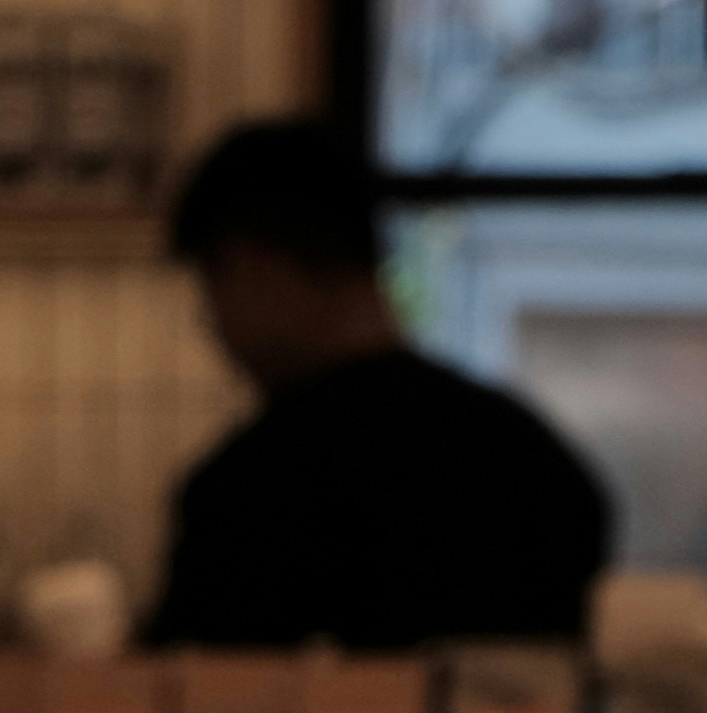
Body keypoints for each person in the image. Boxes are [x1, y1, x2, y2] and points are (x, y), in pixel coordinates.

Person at [144, 115, 610, 657]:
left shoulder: (248, 489)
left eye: (211, 288)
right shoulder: (538, 464)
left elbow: (188, 693)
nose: (212, 324)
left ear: (255, 266)